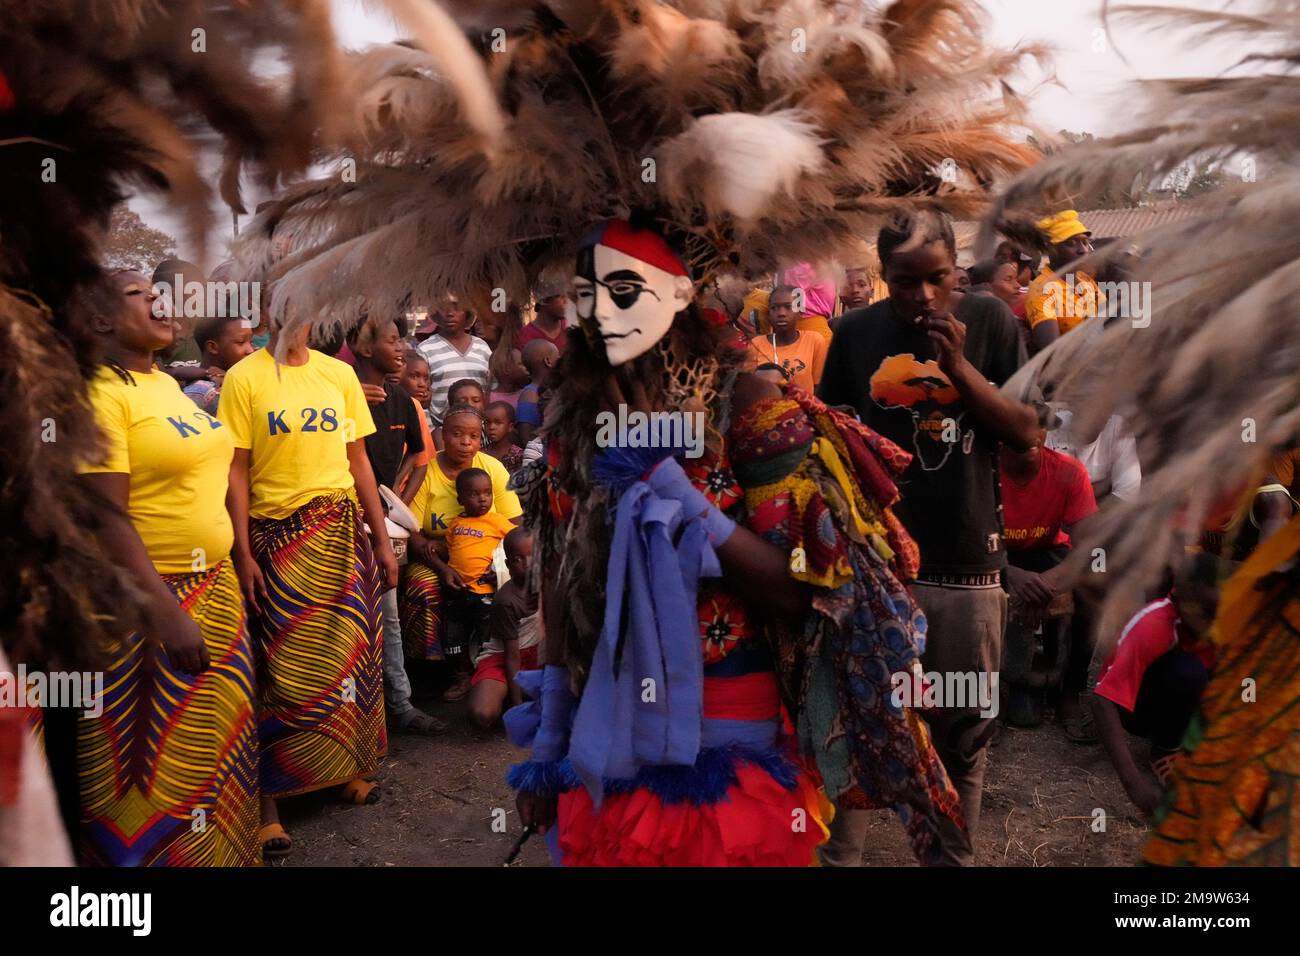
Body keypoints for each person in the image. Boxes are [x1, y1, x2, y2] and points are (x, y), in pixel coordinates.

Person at [818, 212, 1038, 865]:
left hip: (969, 570)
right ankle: (840, 861)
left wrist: (960, 368)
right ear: (883, 277)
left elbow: (1026, 432)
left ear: (956, 270)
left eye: (936, 279)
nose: (921, 297)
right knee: (858, 728)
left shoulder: (993, 322)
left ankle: (950, 859)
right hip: (879, 572)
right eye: (904, 283)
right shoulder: (853, 334)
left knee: (962, 737)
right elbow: (833, 440)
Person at [77, 269, 259, 865]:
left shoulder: (166, 387)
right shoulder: (99, 392)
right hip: (146, 604)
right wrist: (167, 616)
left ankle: (220, 855)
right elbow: (106, 515)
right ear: (101, 319)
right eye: (141, 296)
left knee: (215, 742)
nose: (160, 302)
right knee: (147, 758)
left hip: (216, 589)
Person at [220, 313, 398, 860]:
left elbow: (358, 460)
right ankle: (270, 798)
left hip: (341, 528)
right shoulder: (245, 378)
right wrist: (244, 550)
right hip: (278, 537)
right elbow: (236, 470)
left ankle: (342, 769)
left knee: (349, 656)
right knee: (279, 663)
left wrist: (382, 538)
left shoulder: (337, 375)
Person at [351, 313, 444, 736]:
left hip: (378, 521)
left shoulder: (403, 401)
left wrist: (392, 502)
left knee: (386, 610)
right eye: (393, 340)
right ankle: (359, 714)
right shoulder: (341, 389)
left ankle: (398, 705)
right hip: (338, 518)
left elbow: (418, 455)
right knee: (351, 618)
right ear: (366, 348)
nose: (402, 348)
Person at [403, 405, 522, 701]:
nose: (466, 442)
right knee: (423, 587)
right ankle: (440, 672)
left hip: (490, 557)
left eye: (473, 436)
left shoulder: (491, 468)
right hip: (436, 557)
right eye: (456, 435)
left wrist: (502, 563)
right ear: (443, 436)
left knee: (500, 596)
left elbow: (516, 523)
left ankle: (494, 670)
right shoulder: (427, 471)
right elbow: (412, 531)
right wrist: (442, 566)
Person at [1092, 560, 1218, 817]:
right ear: (1179, 600)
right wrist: (1134, 784)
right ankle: (1166, 749)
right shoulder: (1153, 624)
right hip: (1137, 708)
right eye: (1202, 613)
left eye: (1217, 613)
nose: (1211, 623)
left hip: (1188, 696)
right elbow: (1102, 701)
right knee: (1188, 671)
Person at [999, 408, 1099, 728]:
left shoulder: (1069, 472)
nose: (1031, 433)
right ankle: (986, 691)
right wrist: (1010, 575)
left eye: (1039, 425)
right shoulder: (980, 472)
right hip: (994, 555)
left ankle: (1069, 690)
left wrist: (1047, 583)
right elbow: (965, 541)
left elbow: (1088, 549)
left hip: (1049, 554)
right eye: (1019, 423)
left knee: (1094, 587)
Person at [421, 467, 517, 707]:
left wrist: (502, 569)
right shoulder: (456, 524)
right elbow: (451, 548)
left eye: (487, 493)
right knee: (455, 637)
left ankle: (486, 678)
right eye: (474, 494)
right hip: (457, 591)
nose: (482, 498)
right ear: (460, 499)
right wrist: (436, 548)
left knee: (487, 639)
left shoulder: (496, 521)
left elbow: (518, 541)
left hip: (484, 593)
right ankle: (461, 677)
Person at [467, 527, 539, 729]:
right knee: (481, 715)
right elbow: (511, 656)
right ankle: (513, 697)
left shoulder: (550, 585)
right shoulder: (506, 600)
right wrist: (518, 709)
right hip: (504, 658)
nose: (527, 564)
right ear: (508, 565)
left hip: (538, 656)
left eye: (533, 556)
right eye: (518, 559)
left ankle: (523, 692)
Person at [1025, 210, 1103, 353]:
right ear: (1051, 249)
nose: (1083, 250)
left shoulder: (1085, 280)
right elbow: (1052, 353)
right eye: (1072, 244)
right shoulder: (1042, 291)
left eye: (1085, 243)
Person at [417, 295, 492, 427]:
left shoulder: (483, 347)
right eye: (443, 308)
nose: (450, 313)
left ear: (467, 312)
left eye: (457, 308)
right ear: (436, 313)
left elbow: (491, 388)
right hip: (442, 429)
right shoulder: (426, 349)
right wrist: (432, 431)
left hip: (479, 429)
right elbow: (421, 396)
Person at [745, 284, 827, 393]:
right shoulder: (756, 344)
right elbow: (751, 388)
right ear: (768, 313)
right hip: (768, 408)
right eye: (774, 308)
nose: (781, 313)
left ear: (800, 312)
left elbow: (819, 388)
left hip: (804, 408)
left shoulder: (814, 341)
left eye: (788, 307)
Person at [151, 258, 209, 385]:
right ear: (171, 293)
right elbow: (152, 372)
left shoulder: (202, 330)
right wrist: (176, 373)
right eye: (196, 289)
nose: (204, 295)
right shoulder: (153, 333)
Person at [183, 312, 255, 414]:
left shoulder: (241, 380)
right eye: (241, 342)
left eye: (251, 342)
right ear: (212, 347)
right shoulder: (200, 394)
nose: (250, 350)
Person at [397, 349, 435, 500]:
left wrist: (401, 507)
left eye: (426, 379)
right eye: (414, 376)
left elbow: (421, 464)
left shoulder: (416, 408)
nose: (422, 384)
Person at [516, 338, 558, 446]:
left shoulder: (552, 390)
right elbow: (526, 438)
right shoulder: (530, 395)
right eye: (558, 358)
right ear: (548, 361)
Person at [518, 279, 570, 355]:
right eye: (560, 296)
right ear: (544, 300)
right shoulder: (524, 338)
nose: (566, 301)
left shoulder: (571, 328)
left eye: (567, 296)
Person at [484, 400, 524, 474]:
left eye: (498, 422)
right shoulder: (480, 453)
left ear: (510, 427)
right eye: (487, 422)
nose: (491, 427)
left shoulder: (519, 456)